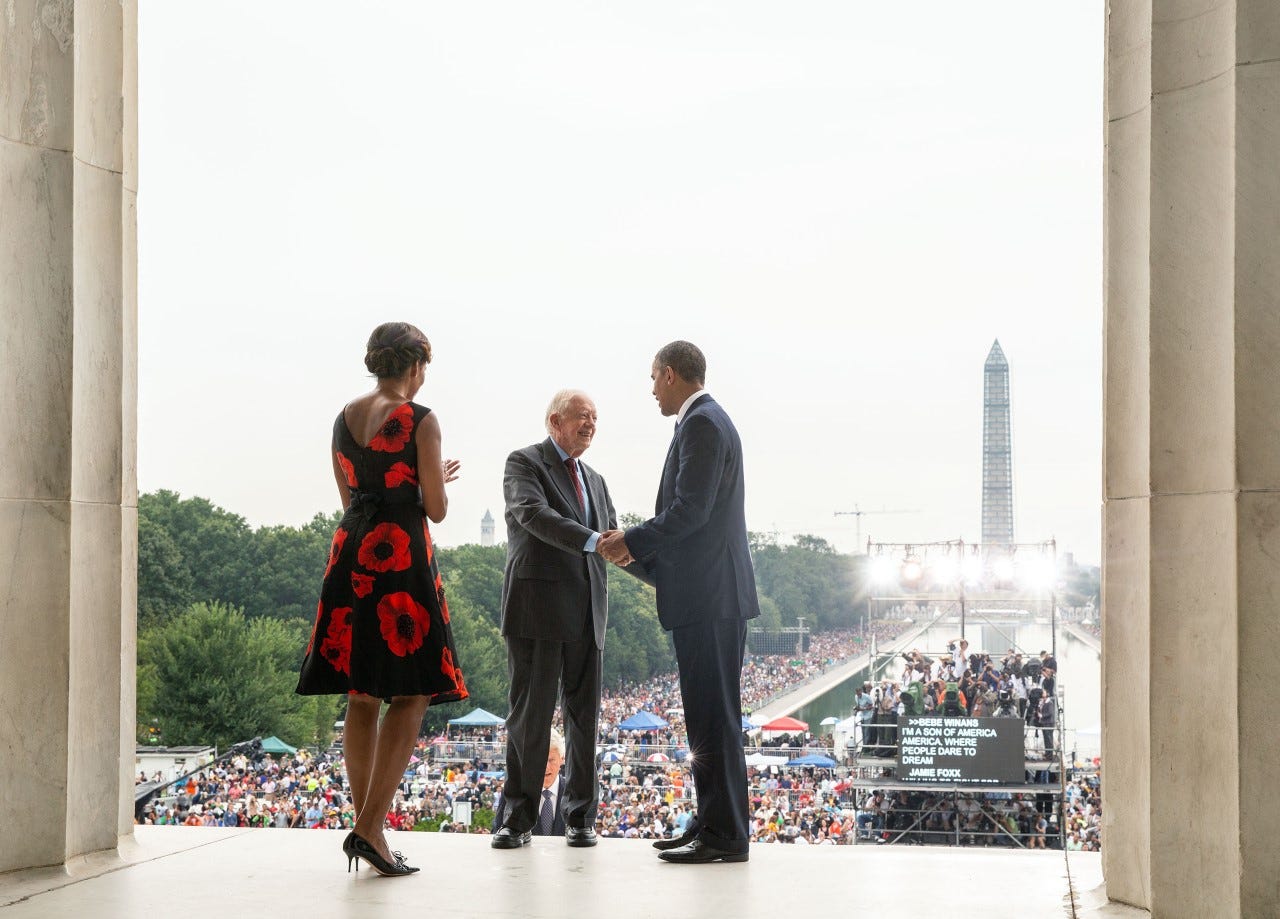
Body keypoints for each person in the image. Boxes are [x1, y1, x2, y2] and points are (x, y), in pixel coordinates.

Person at [296, 321, 468, 876]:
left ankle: (369, 827)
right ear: (416, 366)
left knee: (362, 694)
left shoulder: (343, 418)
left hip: (351, 552)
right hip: (400, 556)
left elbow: (351, 496)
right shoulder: (420, 419)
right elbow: (435, 508)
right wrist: (431, 477)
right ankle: (369, 829)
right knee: (413, 691)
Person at [600, 341, 760, 864]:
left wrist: (633, 541)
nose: (650, 390)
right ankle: (714, 822)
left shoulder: (702, 425)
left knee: (713, 719)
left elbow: (691, 511)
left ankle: (725, 834)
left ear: (671, 374)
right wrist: (641, 560)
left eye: (652, 379)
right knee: (709, 719)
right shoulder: (707, 422)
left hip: (710, 598)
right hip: (709, 595)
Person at [492, 390, 627, 850]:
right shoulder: (524, 463)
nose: (591, 424)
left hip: (589, 613)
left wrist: (664, 572)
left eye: (595, 417)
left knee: (584, 719)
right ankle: (517, 817)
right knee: (530, 718)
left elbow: (614, 544)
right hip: (538, 611)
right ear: (555, 420)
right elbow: (535, 516)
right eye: (582, 417)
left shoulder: (597, 479)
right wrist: (594, 540)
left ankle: (580, 816)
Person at [491, 729, 568, 837]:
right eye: (540, 760)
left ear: (562, 759)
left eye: (551, 760)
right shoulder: (513, 793)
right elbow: (498, 833)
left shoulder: (574, 793)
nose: (546, 767)